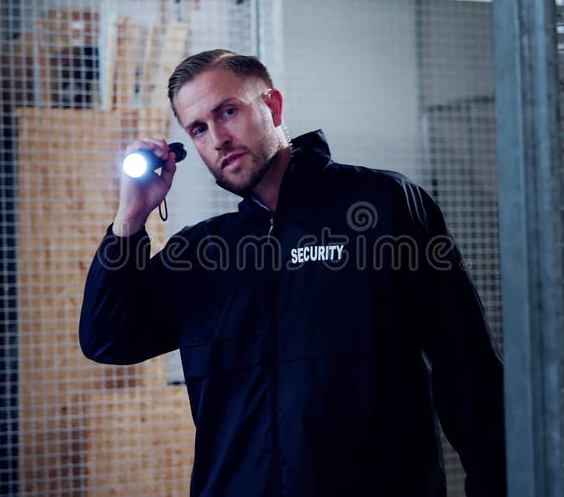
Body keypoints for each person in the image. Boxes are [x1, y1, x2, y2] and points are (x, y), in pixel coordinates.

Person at [80, 49, 506, 497]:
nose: (218, 138)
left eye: (229, 111)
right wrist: (129, 219)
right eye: (199, 129)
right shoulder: (200, 254)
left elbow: (467, 368)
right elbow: (108, 337)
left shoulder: (383, 204)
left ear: (273, 105)